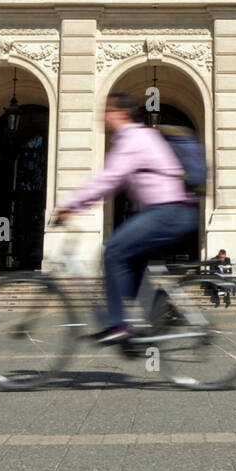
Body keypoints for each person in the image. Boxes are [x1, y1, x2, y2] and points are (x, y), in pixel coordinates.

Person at [51, 92, 200, 344]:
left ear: (121, 113)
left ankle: (118, 324)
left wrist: (71, 206)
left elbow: (108, 179)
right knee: (131, 267)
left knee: (114, 251)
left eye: (107, 110)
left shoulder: (133, 138)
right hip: (169, 211)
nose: (103, 116)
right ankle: (162, 310)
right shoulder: (136, 137)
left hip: (167, 211)